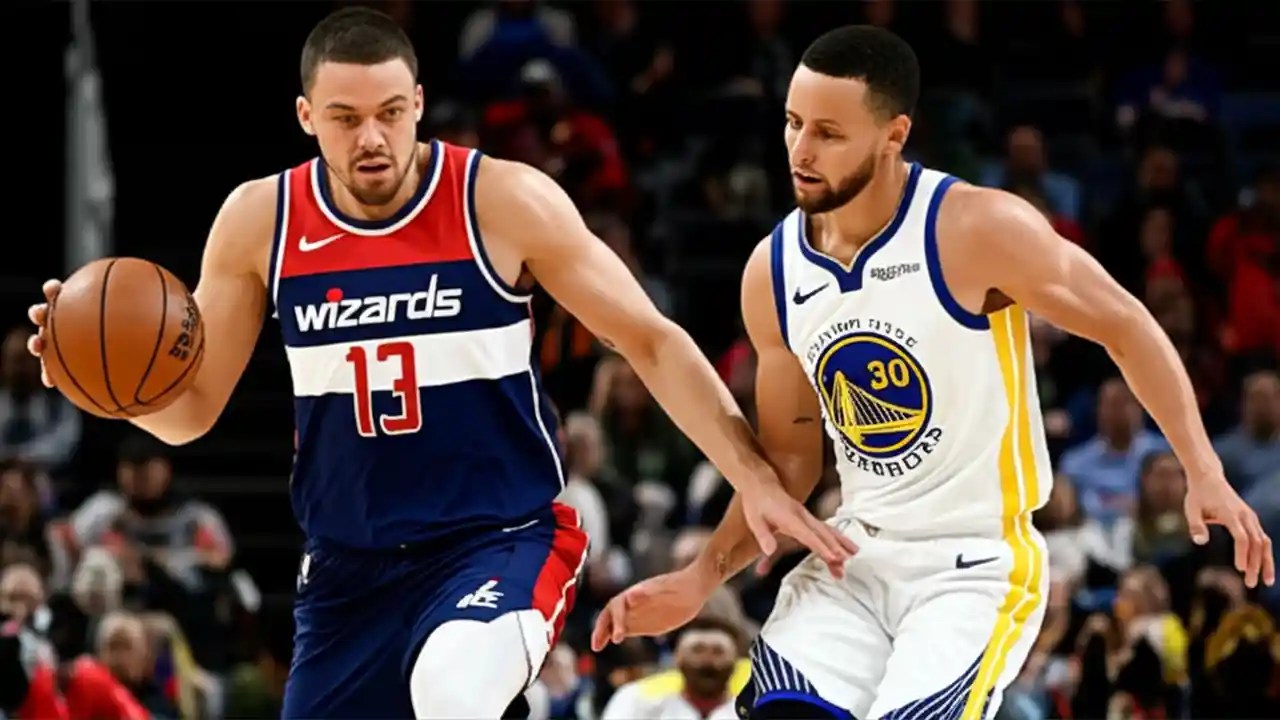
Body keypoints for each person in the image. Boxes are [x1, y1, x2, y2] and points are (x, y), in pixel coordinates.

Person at [26, 8, 854, 719]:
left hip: (496, 542)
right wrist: (107, 389)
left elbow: (648, 338)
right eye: (347, 118)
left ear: (420, 103)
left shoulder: (499, 200)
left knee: (455, 694)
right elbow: (192, 411)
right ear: (308, 116)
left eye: (391, 111)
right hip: (348, 570)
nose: (374, 137)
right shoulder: (261, 219)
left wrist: (750, 474)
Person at [592, 25, 1274, 720]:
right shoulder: (773, 272)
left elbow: (1126, 325)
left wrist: (1203, 468)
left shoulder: (976, 229)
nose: (800, 150)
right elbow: (789, 472)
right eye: (794, 123)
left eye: (829, 132)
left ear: (894, 135)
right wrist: (701, 577)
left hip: (973, 565)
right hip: (854, 554)